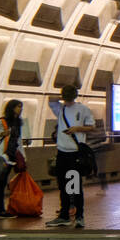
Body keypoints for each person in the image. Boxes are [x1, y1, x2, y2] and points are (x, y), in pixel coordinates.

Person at [46, 85, 96, 229]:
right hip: (62, 153)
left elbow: (91, 126)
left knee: (75, 187)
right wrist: (64, 97)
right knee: (63, 186)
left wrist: (76, 129)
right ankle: (64, 215)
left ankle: (80, 216)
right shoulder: (60, 108)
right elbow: (50, 99)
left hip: (75, 153)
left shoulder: (83, 109)